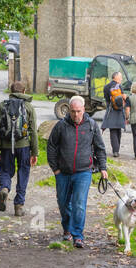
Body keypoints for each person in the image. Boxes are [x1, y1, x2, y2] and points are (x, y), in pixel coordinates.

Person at [45, 95, 107, 248]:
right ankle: (67, 229)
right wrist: (56, 169)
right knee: (63, 203)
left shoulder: (92, 125)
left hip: (83, 172)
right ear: (69, 110)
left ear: (83, 110)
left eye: (78, 111)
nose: (76, 115)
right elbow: (51, 147)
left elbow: (100, 148)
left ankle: (78, 236)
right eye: (73, 111)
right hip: (63, 172)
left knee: (79, 204)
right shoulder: (61, 125)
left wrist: (103, 168)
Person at [0, 80, 38, 216]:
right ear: (24, 92)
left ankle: (5, 188)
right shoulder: (29, 107)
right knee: (23, 173)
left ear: (11, 92)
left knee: (6, 170)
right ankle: (19, 205)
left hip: (7, 146)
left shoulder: (3, 106)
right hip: (24, 146)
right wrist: (34, 152)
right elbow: (33, 131)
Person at [102, 71, 128, 158]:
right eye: (120, 77)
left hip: (111, 111)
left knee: (112, 131)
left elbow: (106, 99)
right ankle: (117, 150)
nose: (121, 79)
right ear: (116, 77)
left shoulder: (106, 87)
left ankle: (115, 151)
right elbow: (124, 98)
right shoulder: (119, 86)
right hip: (119, 111)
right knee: (118, 131)